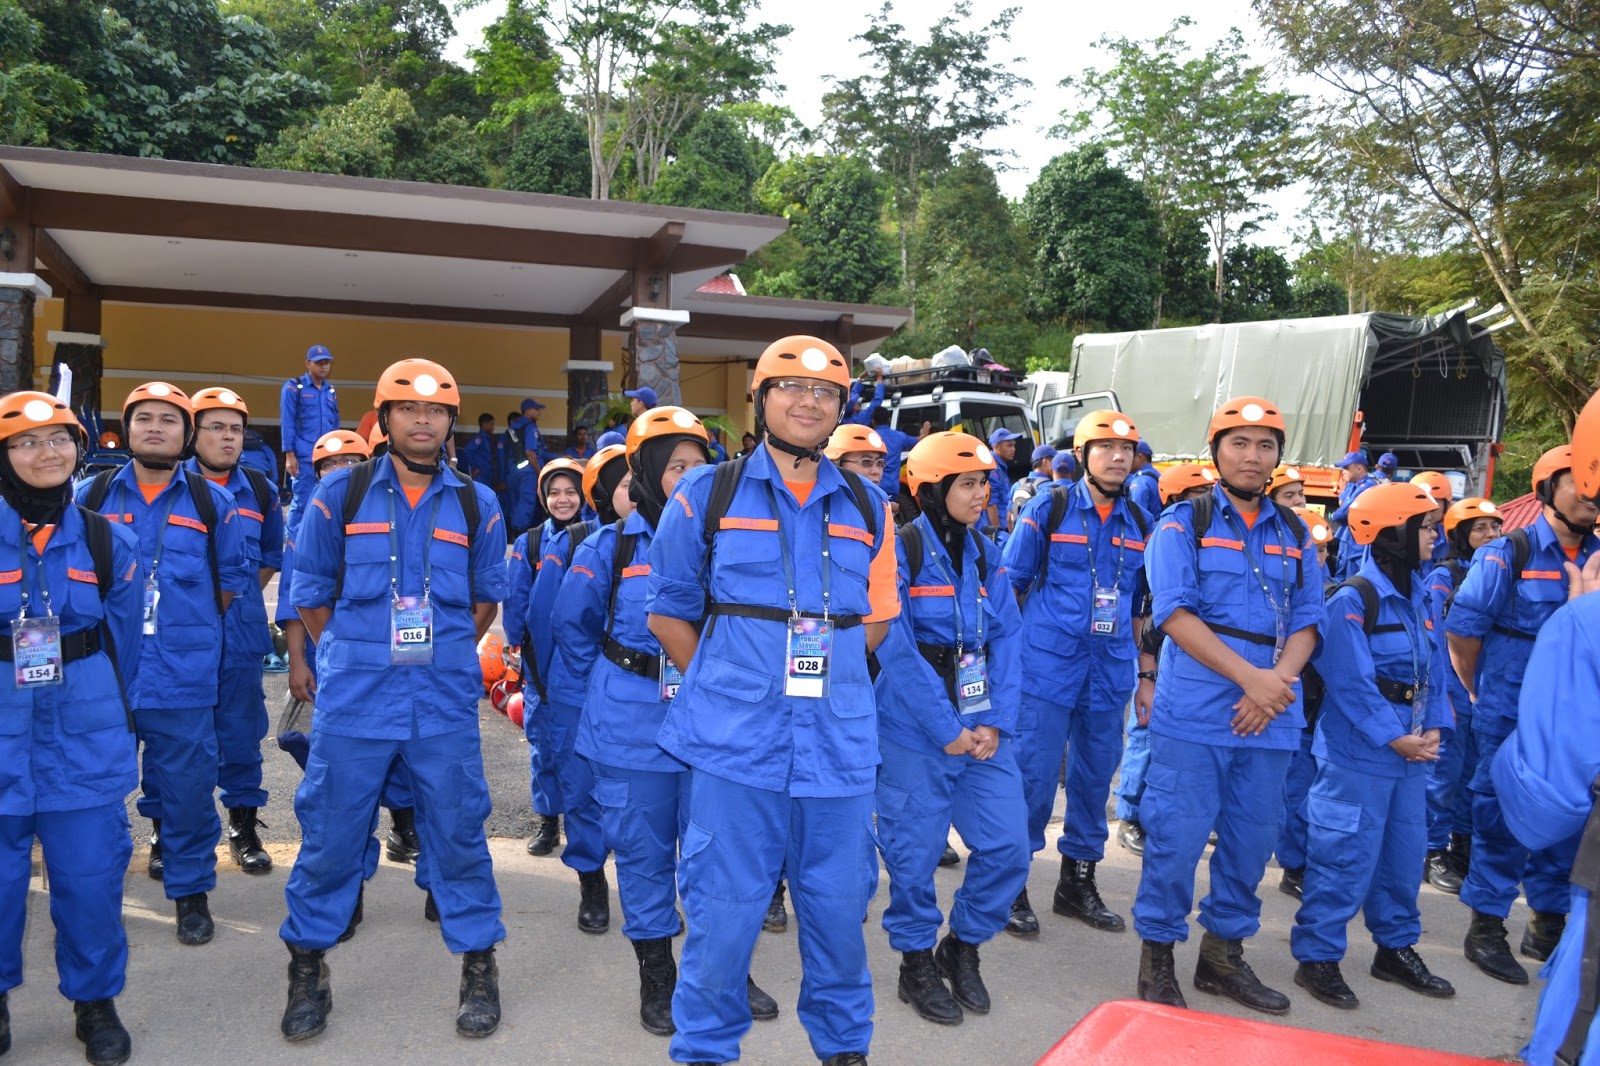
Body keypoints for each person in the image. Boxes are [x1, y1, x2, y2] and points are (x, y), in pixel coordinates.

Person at [645, 335, 898, 1066]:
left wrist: (829, 683)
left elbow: (877, 618)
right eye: (790, 388)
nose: (808, 401)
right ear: (761, 399)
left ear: (840, 409)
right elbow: (668, 612)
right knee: (723, 922)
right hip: (733, 748)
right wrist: (726, 682)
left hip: (839, 752)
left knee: (840, 918)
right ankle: (704, 1051)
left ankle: (845, 1049)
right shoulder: (706, 493)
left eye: (825, 393)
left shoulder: (868, 505)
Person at [279, 358, 508, 1042]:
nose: (422, 421)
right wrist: (359, 649)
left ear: (449, 422)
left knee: (460, 831)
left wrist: (432, 653)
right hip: (355, 702)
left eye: (436, 411)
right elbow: (310, 595)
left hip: (441, 702)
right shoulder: (337, 497)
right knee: (330, 834)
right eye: (408, 409)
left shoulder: (477, 503)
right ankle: (308, 967)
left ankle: (477, 965)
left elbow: (485, 600)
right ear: (382, 419)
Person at [555, 407, 776, 1036]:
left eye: (698, 466)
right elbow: (572, 630)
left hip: (718, 725)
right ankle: (658, 975)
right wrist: (596, 704)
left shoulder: (735, 538)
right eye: (674, 466)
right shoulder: (610, 545)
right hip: (630, 726)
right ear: (645, 472)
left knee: (721, 854)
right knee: (646, 856)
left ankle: (726, 971)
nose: (687, 478)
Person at [1131, 395, 1324, 1014]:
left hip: (1271, 707)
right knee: (1177, 836)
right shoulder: (1182, 523)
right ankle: (1158, 956)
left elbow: (1310, 619)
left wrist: (1276, 684)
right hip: (1198, 705)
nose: (1252, 455)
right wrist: (1253, 680)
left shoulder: (1296, 530)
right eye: (1239, 442)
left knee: (1251, 839)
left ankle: (1222, 958)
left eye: (1265, 445)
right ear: (1216, 451)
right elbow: (1175, 615)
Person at [77, 382, 250, 950]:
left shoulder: (211, 504)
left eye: (170, 421)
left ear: (188, 434)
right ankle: (94, 902)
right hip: (102, 679)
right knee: (94, 795)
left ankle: (191, 894)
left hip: (184, 678)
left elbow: (228, 586)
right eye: (144, 418)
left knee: (188, 791)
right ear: (125, 429)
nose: (156, 428)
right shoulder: (89, 496)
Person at [0, 393, 141, 1065]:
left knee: (88, 878)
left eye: (59, 439)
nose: (46, 453)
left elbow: (128, 645)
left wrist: (118, 717)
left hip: (83, 729)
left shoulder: (109, 537)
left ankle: (95, 1001)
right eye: (27, 443)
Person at [876, 432, 1028, 1027]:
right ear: (932, 490)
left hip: (980, 725)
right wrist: (946, 729)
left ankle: (961, 947)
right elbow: (897, 647)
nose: (981, 493)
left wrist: (994, 720)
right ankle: (915, 961)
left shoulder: (989, 555)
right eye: (967, 483)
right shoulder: (900, 553)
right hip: (915, 731)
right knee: (913, 858)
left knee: (1010, 844)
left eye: (984, 482)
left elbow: (1009, 638)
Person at [1290, 482, 1456, 1008]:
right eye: (1425, 527)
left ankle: (1396, 948)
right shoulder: (1352, 600)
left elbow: (1436, 671)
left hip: (1410, 755)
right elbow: (1350, 681)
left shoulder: (1422, 595)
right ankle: (1317, 956)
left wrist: (1434, 726)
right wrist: (1396, 737)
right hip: (1359, 756)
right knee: (1344, 857)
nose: (1435, 536)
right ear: (1391, 533)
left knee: (1403, 857)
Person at [1446, 444, 1600, 984]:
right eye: (1577, 481)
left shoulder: (1599, 556)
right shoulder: (1508, 552)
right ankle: (1486, 925)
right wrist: (1477, 689)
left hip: (1578, 717)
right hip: (1510, 708)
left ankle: (1547, 922)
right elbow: (1463, 631)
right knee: (1501, 813)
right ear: (1546, 488)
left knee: (1574, 814)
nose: (1589, 492)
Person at [1000, 410, 1150, 937]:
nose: (1117, 457)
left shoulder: (1139, 521)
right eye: (1105, 448)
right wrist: (1002, 662)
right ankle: (1010, 883)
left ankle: (1077, 881)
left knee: (1091, 781)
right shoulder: (1051, 506)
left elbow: (1140, 606)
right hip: (1045, 668)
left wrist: (1146, 672)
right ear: (1083, 455)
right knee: (1033, 778)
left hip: (1108, 673)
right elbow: (1009, 585)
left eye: (1126, 450)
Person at [274, 429, 424, 937]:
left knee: (419, 777)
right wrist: (309, 659)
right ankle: (349, 888)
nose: (339, 470)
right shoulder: (310, 521)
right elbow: (299, 603)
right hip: (342, 677)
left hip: (411, 668)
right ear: (315, 473)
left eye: (350, 460)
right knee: (340, 793)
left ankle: (421, 855)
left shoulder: (399, 510)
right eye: (329, 463)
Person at [1490, 388, 1600, 1066]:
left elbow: (1545, 803)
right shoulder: (1512, 548)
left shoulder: (1587, 618)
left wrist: (1578, 626)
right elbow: (1468, 630)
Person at [184, 387, 283, 875]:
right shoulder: (171, 486)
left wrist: (237, 595)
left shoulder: (261, 490)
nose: (228, 437)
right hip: (178, 636)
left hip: (239, 633)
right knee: (178, 737)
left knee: (241, 734)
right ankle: (170, 833)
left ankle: (243, 827)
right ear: (193, 433)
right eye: (216, 427)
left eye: (236, 429)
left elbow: (269, 557)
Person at [1115, 463, 1221, 856]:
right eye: (1199, 495)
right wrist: (1146, 665)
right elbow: (1144, 605)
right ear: (1176, 499)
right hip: (1157, 646)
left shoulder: (1209, 539)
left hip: (1194, 651)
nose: (1209, 502)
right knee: (1145, 730)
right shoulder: (1166, 535)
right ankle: (1129, 814)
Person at [505, 457, 596, 865]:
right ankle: (548, 820)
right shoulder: (531, 542)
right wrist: (517, 647)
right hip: (540, 661)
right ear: (543, 497)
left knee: (583, 746)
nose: (563, 500)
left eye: (571, 491)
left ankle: (591, 824)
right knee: (543, 744)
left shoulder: (597, 536)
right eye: (555, 492)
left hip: (582, 661)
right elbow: (516, 599)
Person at [1420, 497, 1502, 894]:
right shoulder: (1445, 576)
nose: (1489, 535)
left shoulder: (1503, 572)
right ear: (1459, 535)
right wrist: (1441, 695)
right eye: (1479, 527)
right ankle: (1433, 851)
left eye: (1494, 526)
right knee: (1444, 774)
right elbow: (1436, 640)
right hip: (1452, 686)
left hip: (1487, 685)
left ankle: (1463, 848)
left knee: (1474, 772)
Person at [1274, 507, 1335, 900]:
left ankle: (1309, 862)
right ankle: (1293, 864)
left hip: (1316, 711)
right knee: (1293, 791)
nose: (1317, 559)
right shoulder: (1272, 591)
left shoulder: (1338, 593)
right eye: (1310, 551)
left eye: (1323, 551)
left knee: (1312, 788)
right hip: (1280, 702)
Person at [280, 344, 341, 540]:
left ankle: (319, 540)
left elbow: (336, 423)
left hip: (327, 457)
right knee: (303, 501)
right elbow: (287, 421)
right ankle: (294, 544)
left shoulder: (330, 391)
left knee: (328, 498)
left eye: (327, 363)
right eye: (319, 363)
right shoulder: (293, 387)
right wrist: (289, 455)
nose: (324, 367)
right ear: (308, 363)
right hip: (304, 455)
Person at [1330, 451, 1380, 581]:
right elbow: (1341, 502)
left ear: (1359, 468)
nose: (1344, 472)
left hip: (1357, 543)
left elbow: (1341, 513)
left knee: (1352, 579)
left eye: (1347, 468)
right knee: (1340, 575)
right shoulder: (1352, 484)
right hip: (1347, 537)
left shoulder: (1367, 486)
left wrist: (1340, 510)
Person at [461, 413, 513, 515]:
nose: (493, 427)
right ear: (484, 424)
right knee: (480, 502)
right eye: (491, 424)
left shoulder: (489, 439)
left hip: (489, 476)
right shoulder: (479, 438)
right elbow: (467, 451)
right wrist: (474, 467)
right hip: (482, 476)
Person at [983, 428, 1022, 535]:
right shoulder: (992, 468)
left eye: (1014, 445)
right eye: (1009, 445)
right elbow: (991, 505)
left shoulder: (999, 466)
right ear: (996, 446)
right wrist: (997, 534)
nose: (1013, 449)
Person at [1410, 471, 1453, 566]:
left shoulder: (1451, 539)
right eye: (1420, 502)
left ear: (1447, 505)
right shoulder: (1397, 540)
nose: (1427, 509)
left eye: (1433, 502)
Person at [1008, 444, 1056, 530]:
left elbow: (1009, 517)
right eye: (1055, 461)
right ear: (1045, 462)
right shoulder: (1049, 487)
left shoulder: (1016, 485)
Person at [1127, 440, 1161, 518]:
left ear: (1140, 457)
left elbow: (1137, 517)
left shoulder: (1139, 482)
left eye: (1129, 456)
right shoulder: (1156, 474)